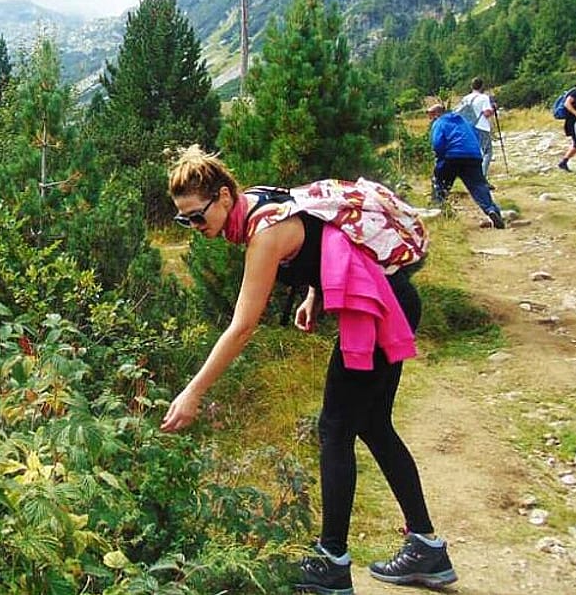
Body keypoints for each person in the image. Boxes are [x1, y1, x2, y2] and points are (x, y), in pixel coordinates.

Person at [160, 146, 457, 594]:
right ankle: (426, 548)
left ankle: (332, 562)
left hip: (378, 308)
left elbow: (242, 327)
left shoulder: (263, 233)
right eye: (184, 221)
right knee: (372, 424)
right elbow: (325, 233)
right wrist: (316, 292)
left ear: (223, 196)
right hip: (387, 299)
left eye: (197, 217)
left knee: (335, 428)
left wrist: (194, 391)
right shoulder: (256, 200)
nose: (195, 229)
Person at [427, 103, 506, 229]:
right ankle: (491, 210)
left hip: (451, 157)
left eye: (430, 114)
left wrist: (439, 158)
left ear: (436, 114)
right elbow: (475, 135)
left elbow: (437, 143)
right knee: (479, 186)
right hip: (473, 156)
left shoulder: (440, 123)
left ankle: (439, 211)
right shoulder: (463, 120)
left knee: (440, 183)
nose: (429, 117)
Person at [457, 77, 495, 177]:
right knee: (487, 152)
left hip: (468, 127)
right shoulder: (484, 98)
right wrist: (493, 108)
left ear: (471, 86)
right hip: (481, 127)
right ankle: (482, 177)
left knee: (475, 152)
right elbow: (487, 113)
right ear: (482, 86)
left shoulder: (466, 98)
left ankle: (473, 175)